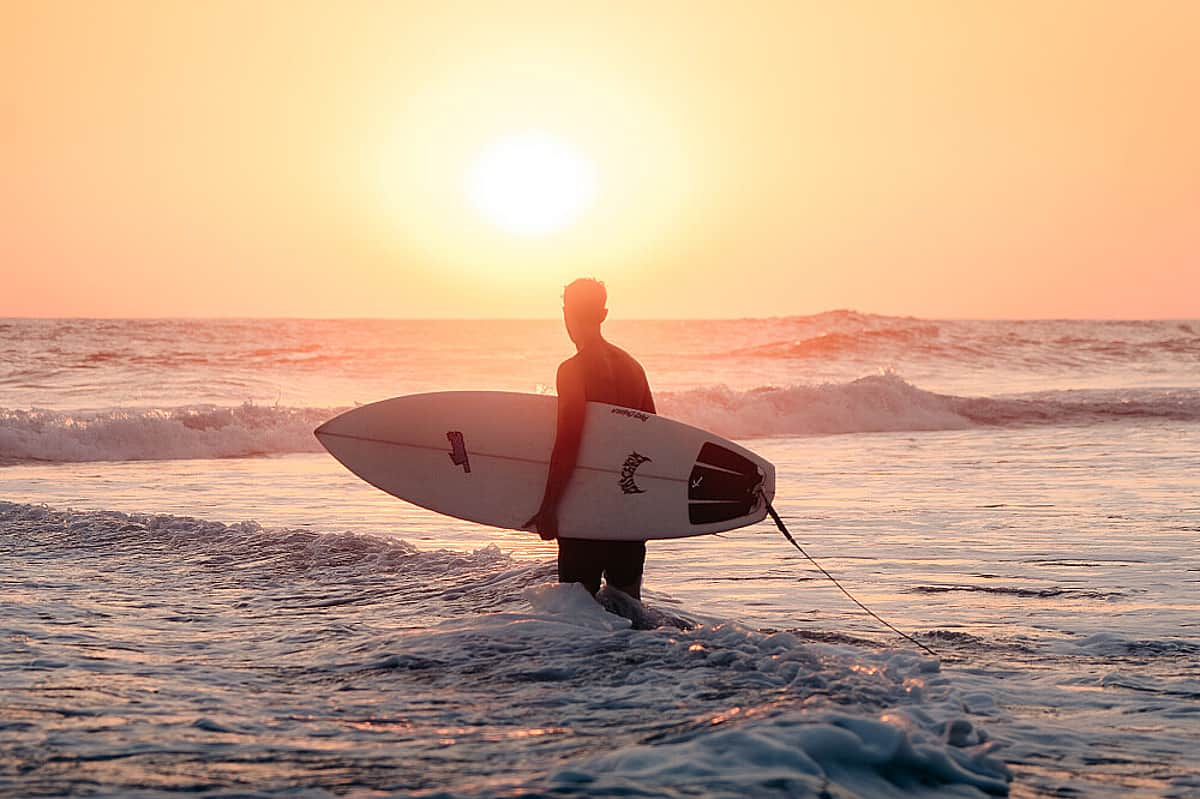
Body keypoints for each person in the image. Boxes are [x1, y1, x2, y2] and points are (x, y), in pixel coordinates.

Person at [525, 278, 655, 599]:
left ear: (566, 313)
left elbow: (569, 439)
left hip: (585, 509)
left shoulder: (573, 369)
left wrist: (549, 506)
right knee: (629, 611)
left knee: (579, 619)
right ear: (604, 313)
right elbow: (653, 438)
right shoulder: (633, 368)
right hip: (628, 513)